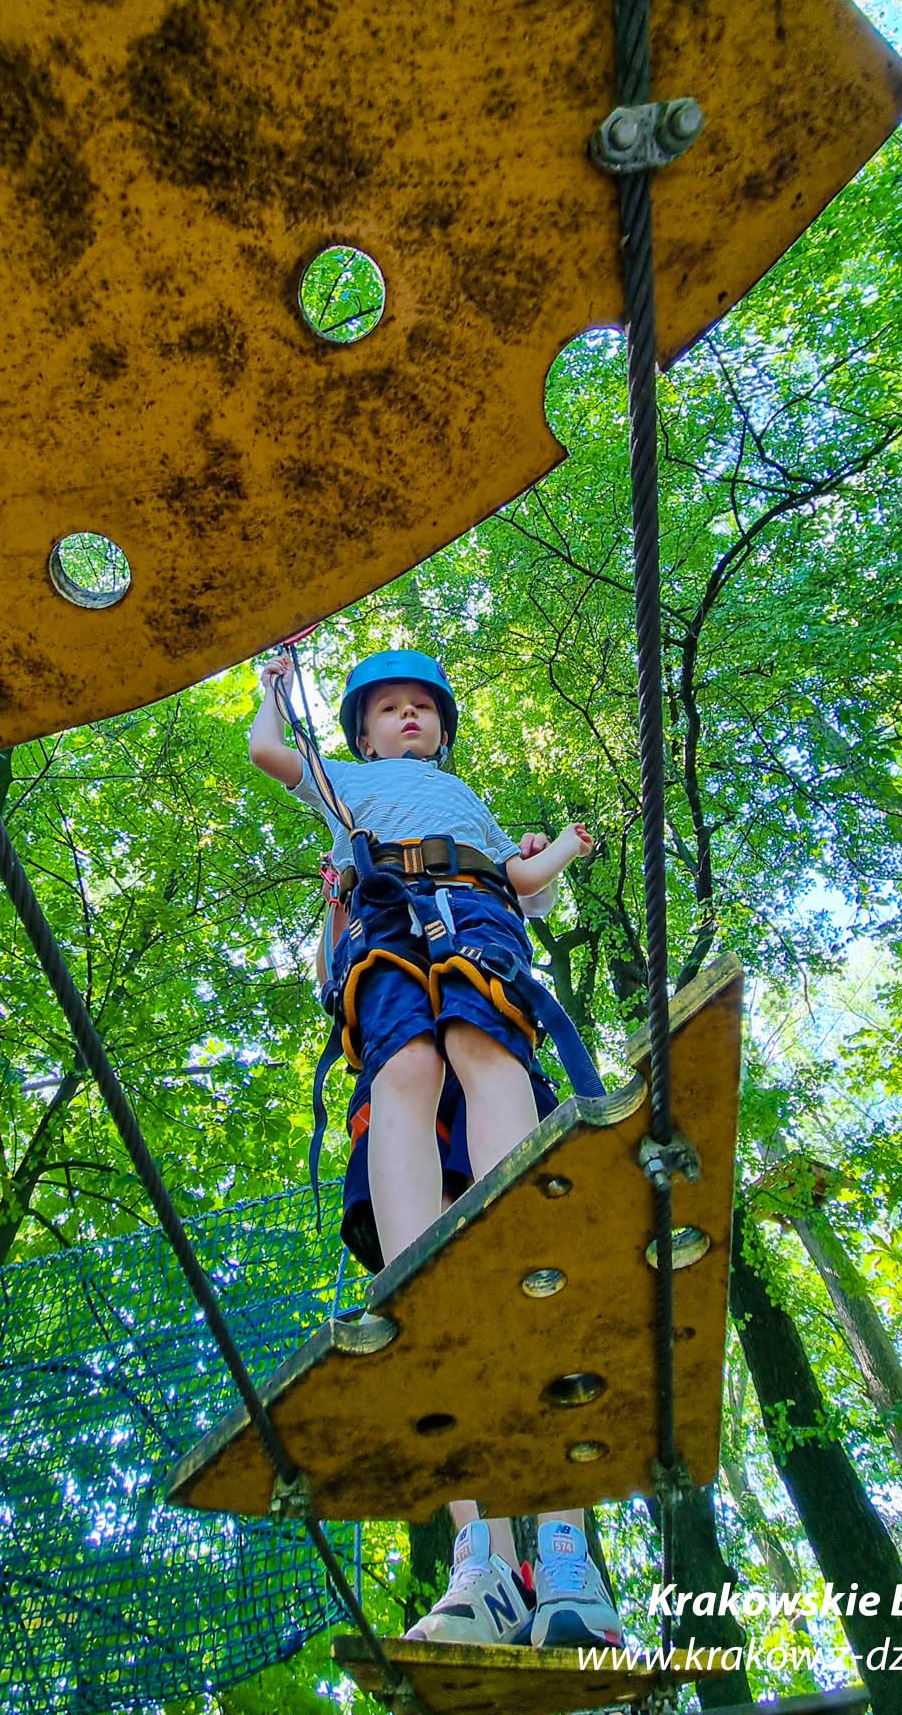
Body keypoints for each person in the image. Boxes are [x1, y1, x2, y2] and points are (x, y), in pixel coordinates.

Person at [250, 648, 623, 1650]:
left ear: (443, 728)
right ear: (363, 733)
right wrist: (273, 683)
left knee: (485, 1036)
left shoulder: (470, 801)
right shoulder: (349, 785)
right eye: (389, 710)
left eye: (423, 708)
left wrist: (562, 852)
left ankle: (568, 1563)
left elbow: (524, 884)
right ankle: (484, 1567)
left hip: (476, 914)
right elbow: (267, 750)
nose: (409, 719)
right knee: (403, 1064)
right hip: (382, 917)